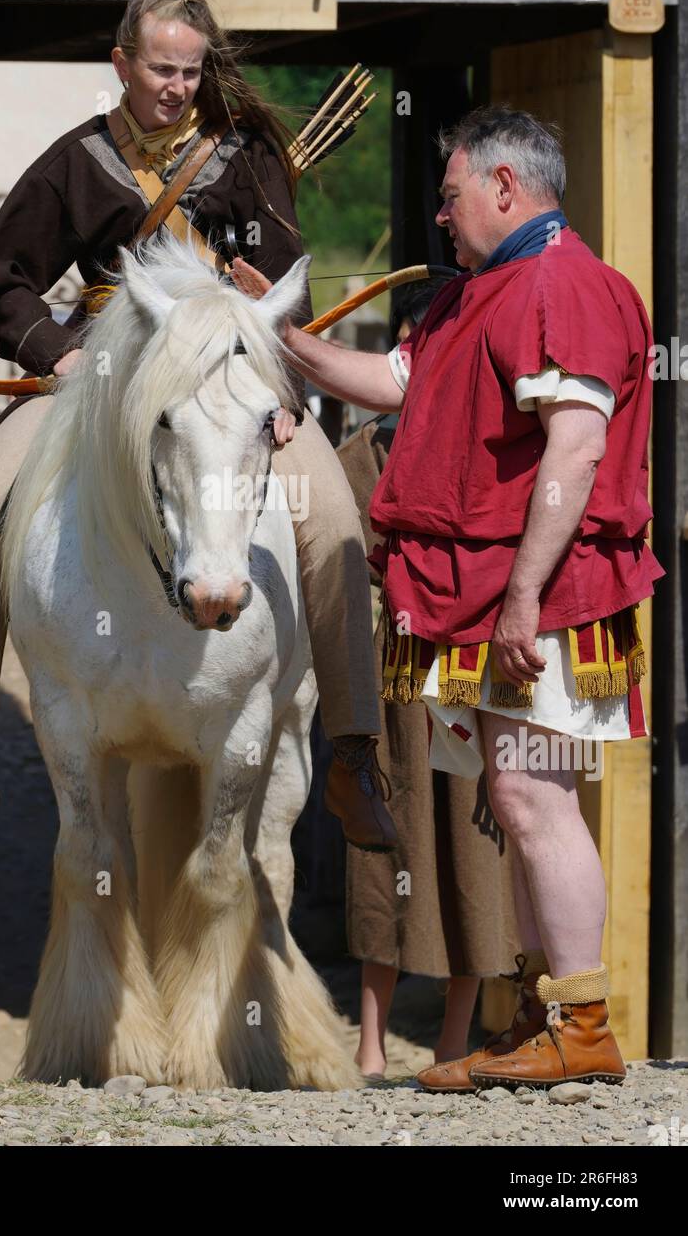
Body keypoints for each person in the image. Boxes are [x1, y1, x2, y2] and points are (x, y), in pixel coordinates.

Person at [0, 0, 396, 853]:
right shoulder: (75, 160)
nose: (177, 86)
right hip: (105, 375)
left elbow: (288, 287)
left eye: (191, 71)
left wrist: (277, 386)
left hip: (238, 381)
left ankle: (353, 752)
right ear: (120, 63)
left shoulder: (249, 153)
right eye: (161, 68)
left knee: (333, 520)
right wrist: (59, 353)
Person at [242, 105, 664, 1089]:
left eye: (450, 194)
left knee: (531, 795)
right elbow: (391, 382)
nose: (440, 215)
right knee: (514, 803)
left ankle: (585, 1022)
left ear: (504, 187)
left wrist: (523, 594)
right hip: (484, 599)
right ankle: (540, 1013)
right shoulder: (479, 294)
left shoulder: (567, 284)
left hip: (545, 601)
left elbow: (576, 447)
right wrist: (286, 338)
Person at [336, 280, 521, 1080]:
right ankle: (370, 1042)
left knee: (474, 843)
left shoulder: (499, 448)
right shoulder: (356, 455)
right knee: (385, 839)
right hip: (395, 669)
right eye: (412, 348)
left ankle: (455, 1040)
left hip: (477, 665)